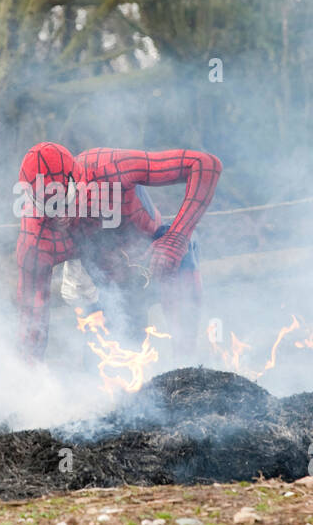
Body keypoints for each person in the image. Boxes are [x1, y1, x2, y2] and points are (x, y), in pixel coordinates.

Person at [15, 142, 222, 362]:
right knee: (106, 367)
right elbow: (32, 323)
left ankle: (187, 366)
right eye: (50, 208)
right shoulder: (35, 239)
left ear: (79, 180)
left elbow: (205, 164)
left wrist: (176, 238)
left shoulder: (109, 168)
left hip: (154, 255)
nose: (60, 216)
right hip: (110, 286)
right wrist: (30, 382)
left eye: (65, 202)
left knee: (184, 253)